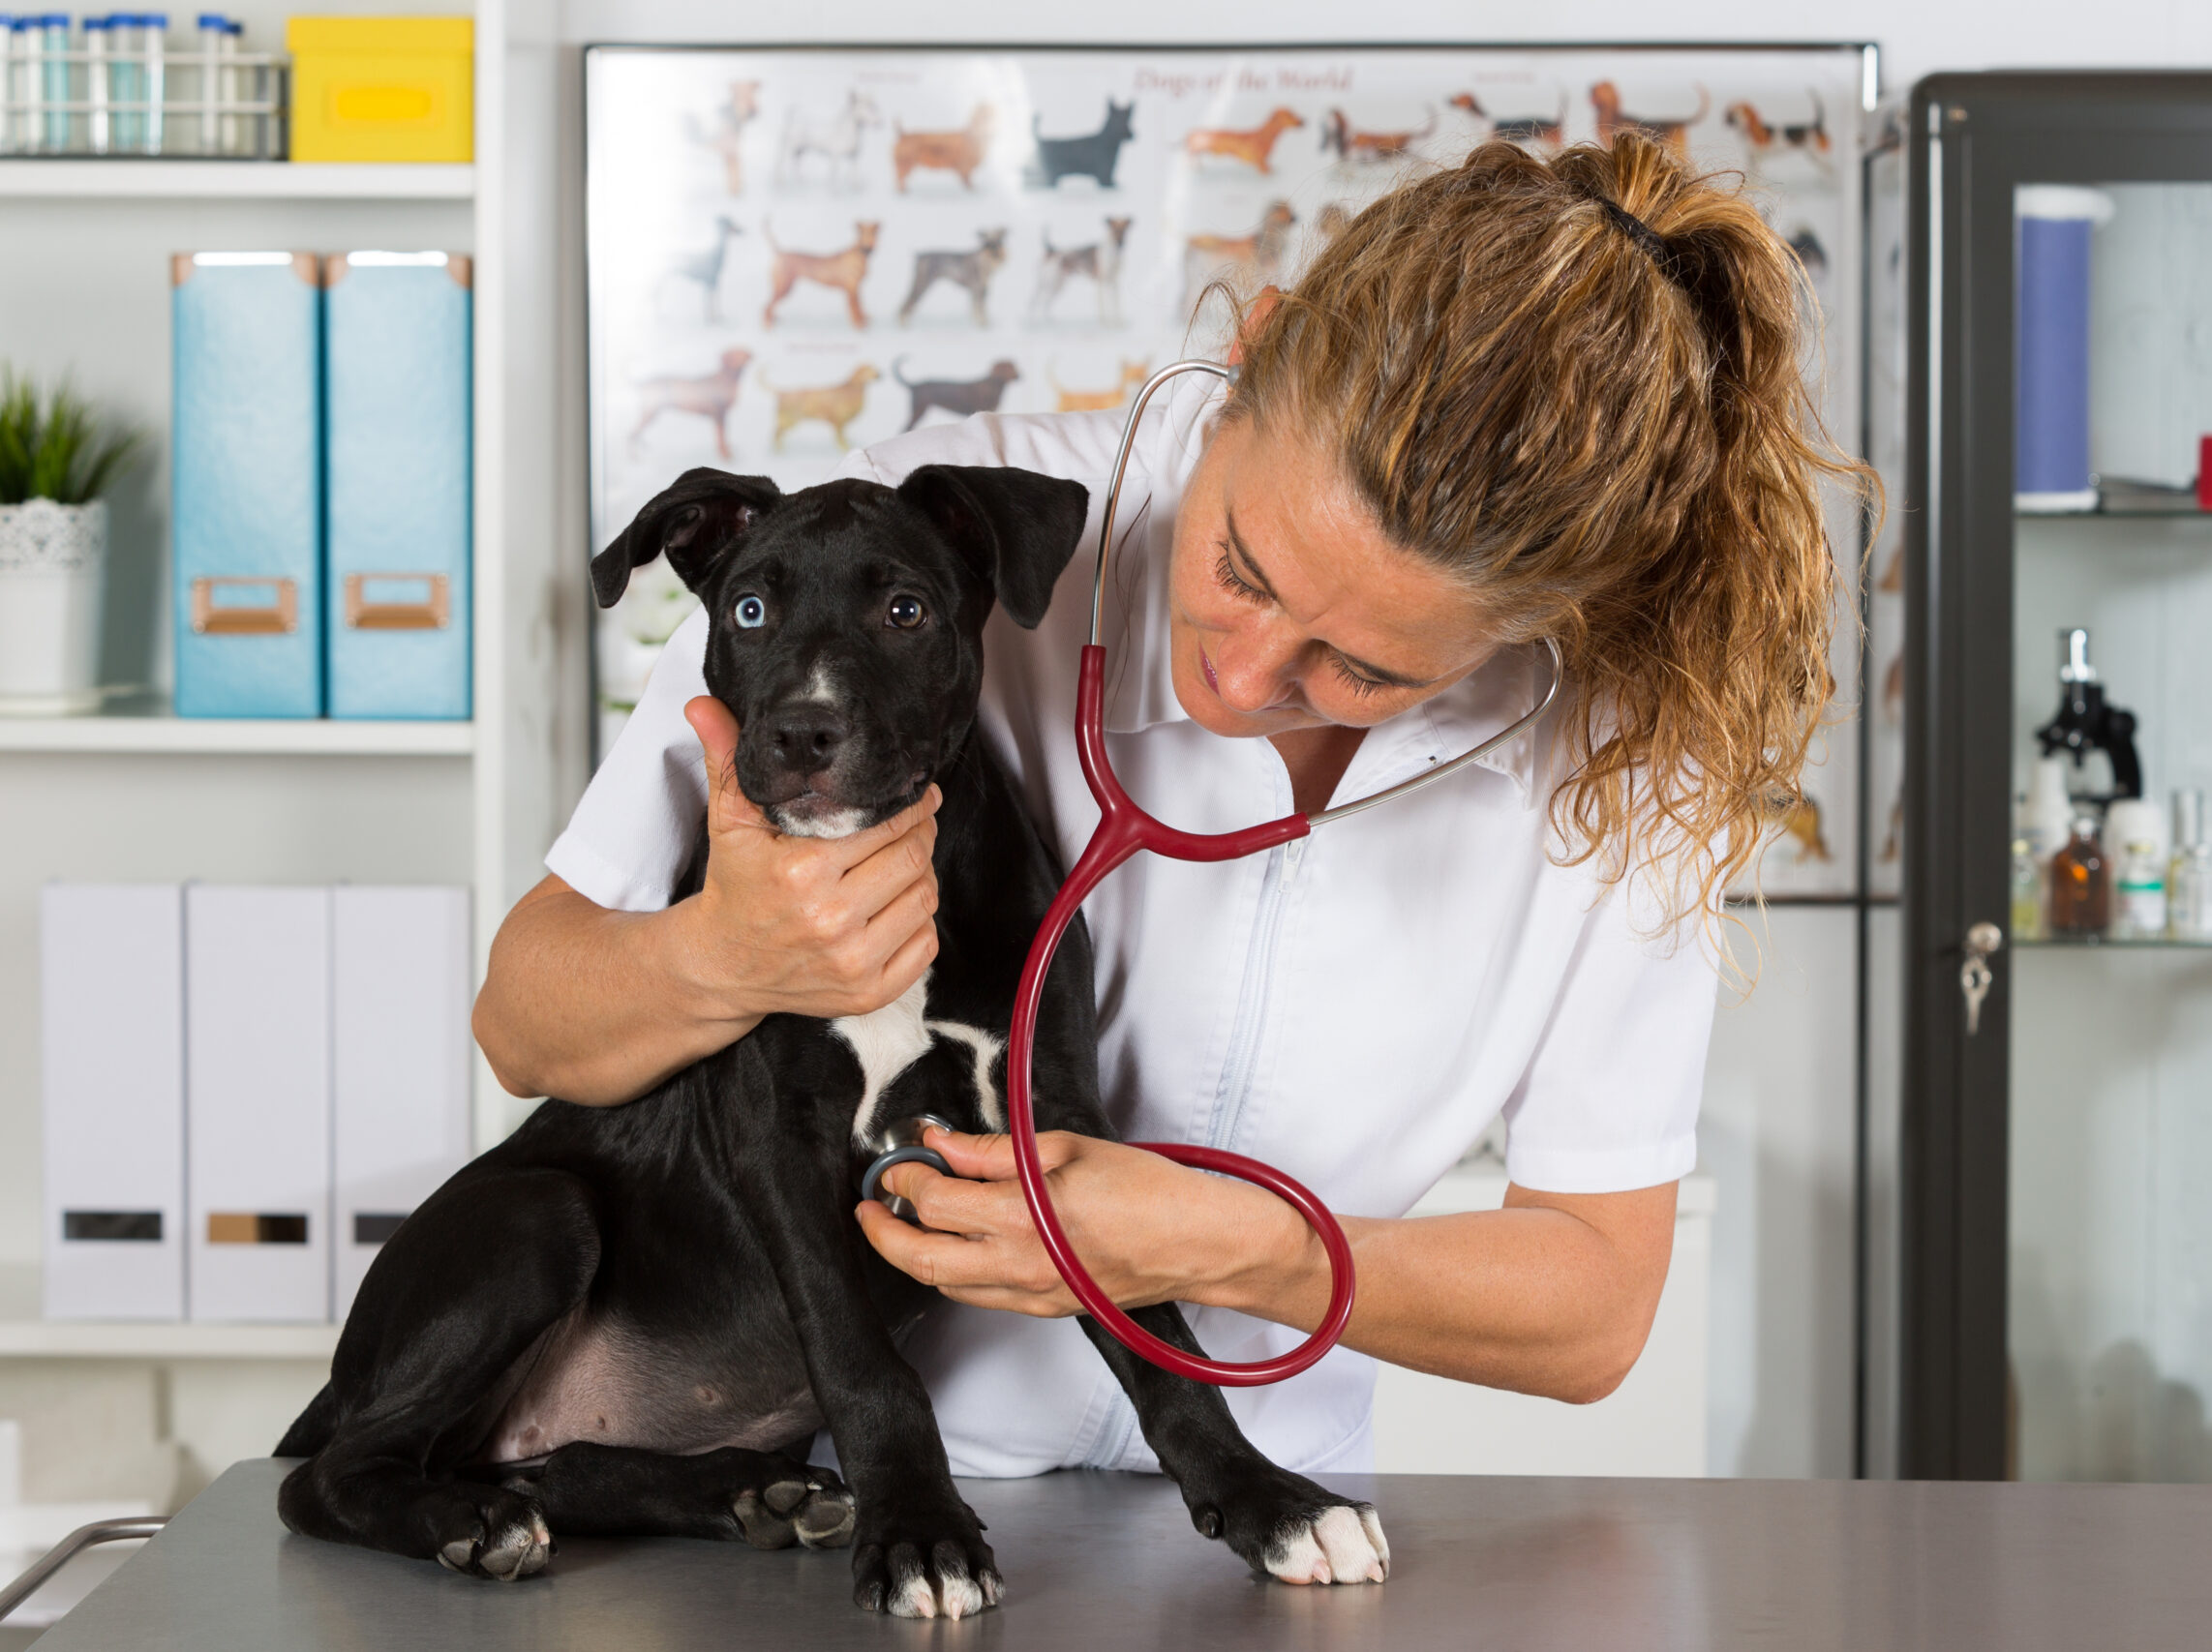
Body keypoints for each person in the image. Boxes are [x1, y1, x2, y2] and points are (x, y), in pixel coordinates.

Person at [473, 133, 1854, 1491]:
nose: (1246, 678)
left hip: (1273, 1504)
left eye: (1364, 668)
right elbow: (524, 1016)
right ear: (1252, 354)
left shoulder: (1628, 752)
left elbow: (1593, 1303)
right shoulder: (919, 546)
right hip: (869, 1507)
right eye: (1241, 566)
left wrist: (1231, 1244)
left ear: (1549, 625)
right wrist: (726, 955)